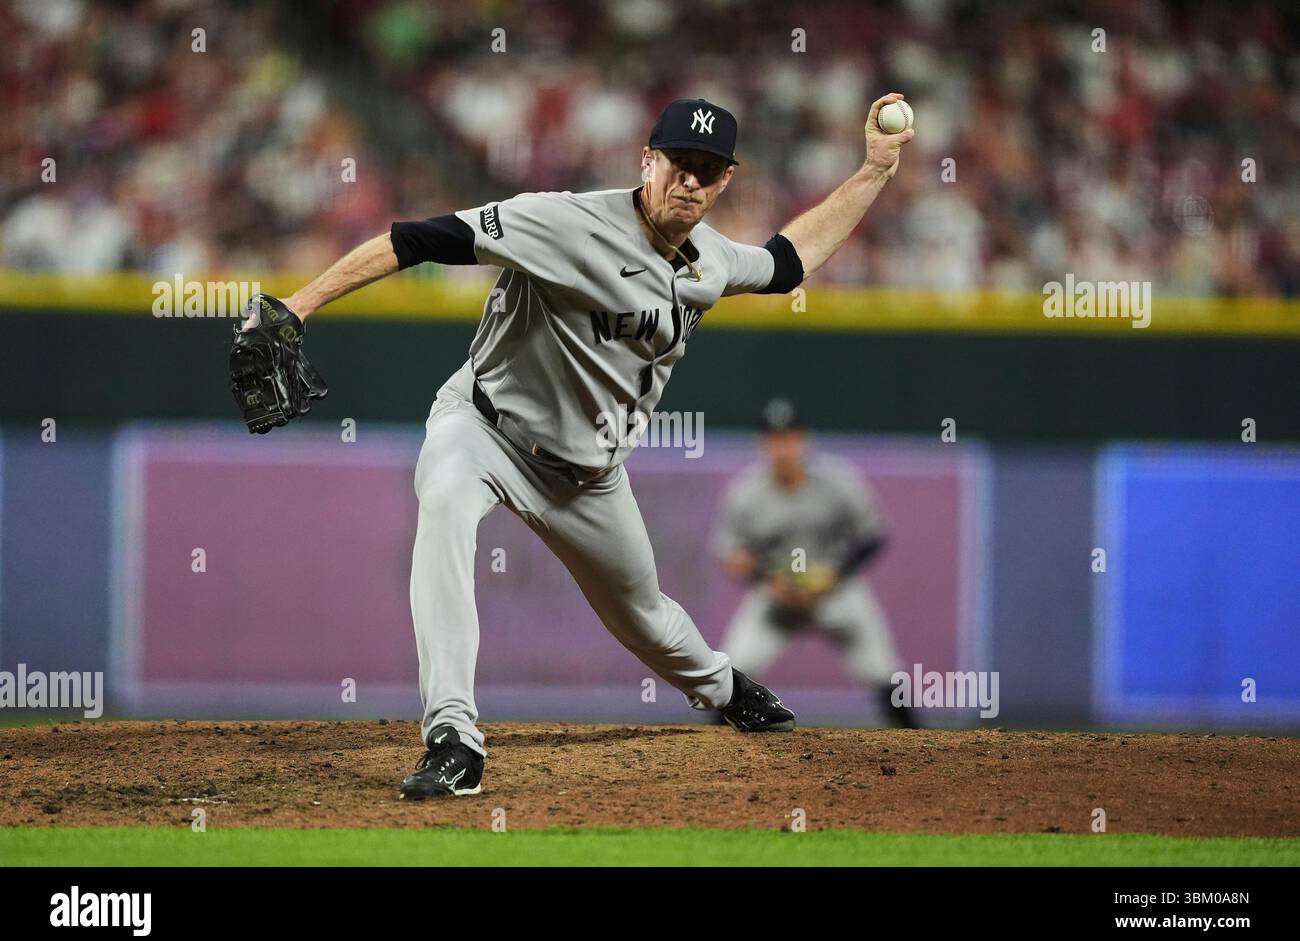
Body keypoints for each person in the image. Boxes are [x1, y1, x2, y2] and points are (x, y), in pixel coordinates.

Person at [254, 94, 914, 798]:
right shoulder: (561, 221)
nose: (689, 181)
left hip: (591, 475)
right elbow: (415, 238)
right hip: (484, 430)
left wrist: (874, 169)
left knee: (645, 619)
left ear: (725, 181)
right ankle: (453, 737)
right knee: (443, 509)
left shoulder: (713, 261)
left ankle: (726, 687)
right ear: (647, 160)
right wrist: (299, 306)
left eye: (706, 170)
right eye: (678, 163)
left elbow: (790, 262)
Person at [713, 399, 914, 728]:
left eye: (789, 437)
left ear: (804, 439)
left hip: (837, 591)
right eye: (774, 439)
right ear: (763, 444)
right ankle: (706, 758)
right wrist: (767, 579)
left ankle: (921, 749)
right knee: (728, 675)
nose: (783, 448)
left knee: (883, 672)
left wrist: (835, 574)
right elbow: (732, 556)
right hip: (775, 597)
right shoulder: (745, 492)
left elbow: (872, 536)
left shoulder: (838, 481)